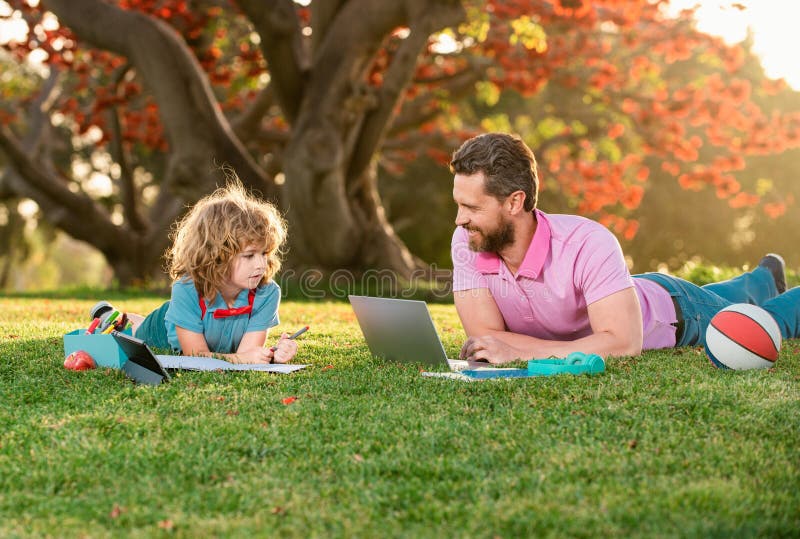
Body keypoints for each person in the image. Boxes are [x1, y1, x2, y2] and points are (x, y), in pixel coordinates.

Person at [449, 132, 800, 363]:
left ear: (514, 202)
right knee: (739, 293)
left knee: (752, 325)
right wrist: (507, 346)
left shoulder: (587, 242)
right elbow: (486, 337)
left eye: (472, 207)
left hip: (674, 310)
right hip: (623, 295)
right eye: (459, 205)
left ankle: (774, 294)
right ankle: (762, 279)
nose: (459, 220)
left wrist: (521, 352)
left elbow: (621, 343)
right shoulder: (469, 240)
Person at [129, 180, 298, 364]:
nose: (261, 264)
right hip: (160, 331)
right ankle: (108, 314)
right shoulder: (186, 289)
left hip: (195, 328)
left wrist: (275, 356)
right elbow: (195, 356)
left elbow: (248, 355)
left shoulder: (267, 293)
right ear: (216, 256)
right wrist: (241, 359)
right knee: (133, 330)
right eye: (249, 255)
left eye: (264, 253)